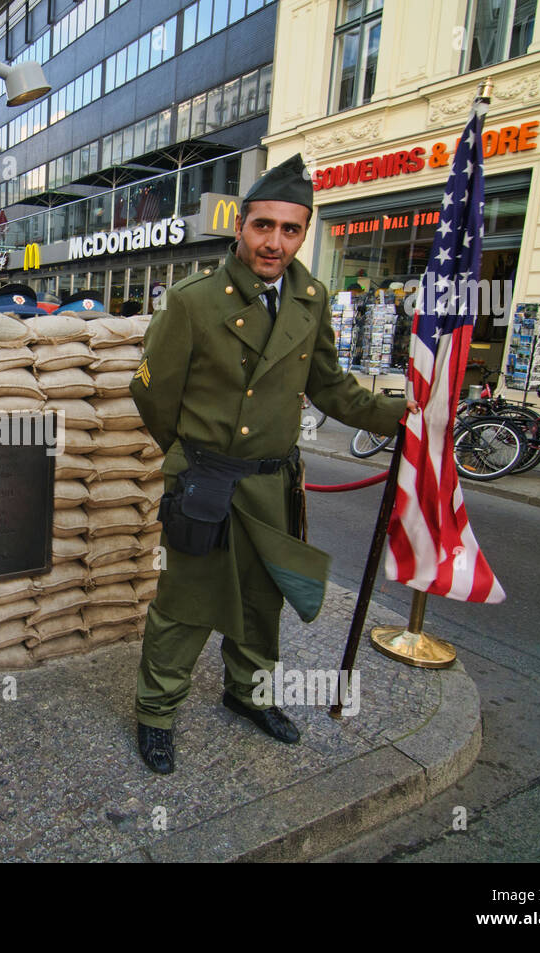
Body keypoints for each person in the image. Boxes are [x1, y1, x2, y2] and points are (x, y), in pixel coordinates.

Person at [129, 154, 418, 774]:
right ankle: (156, 714)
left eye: (291, 230)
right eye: (264, 226)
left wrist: (404, 414)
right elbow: (153, 395)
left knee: (263, 600)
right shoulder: (193, 302)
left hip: (273, 484)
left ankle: (248, 694)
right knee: (185, 602)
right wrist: (187, 460)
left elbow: (333, 389)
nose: (275, 242)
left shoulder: (311, 298)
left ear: (303, 232)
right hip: (208, 480)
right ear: (241, 225)